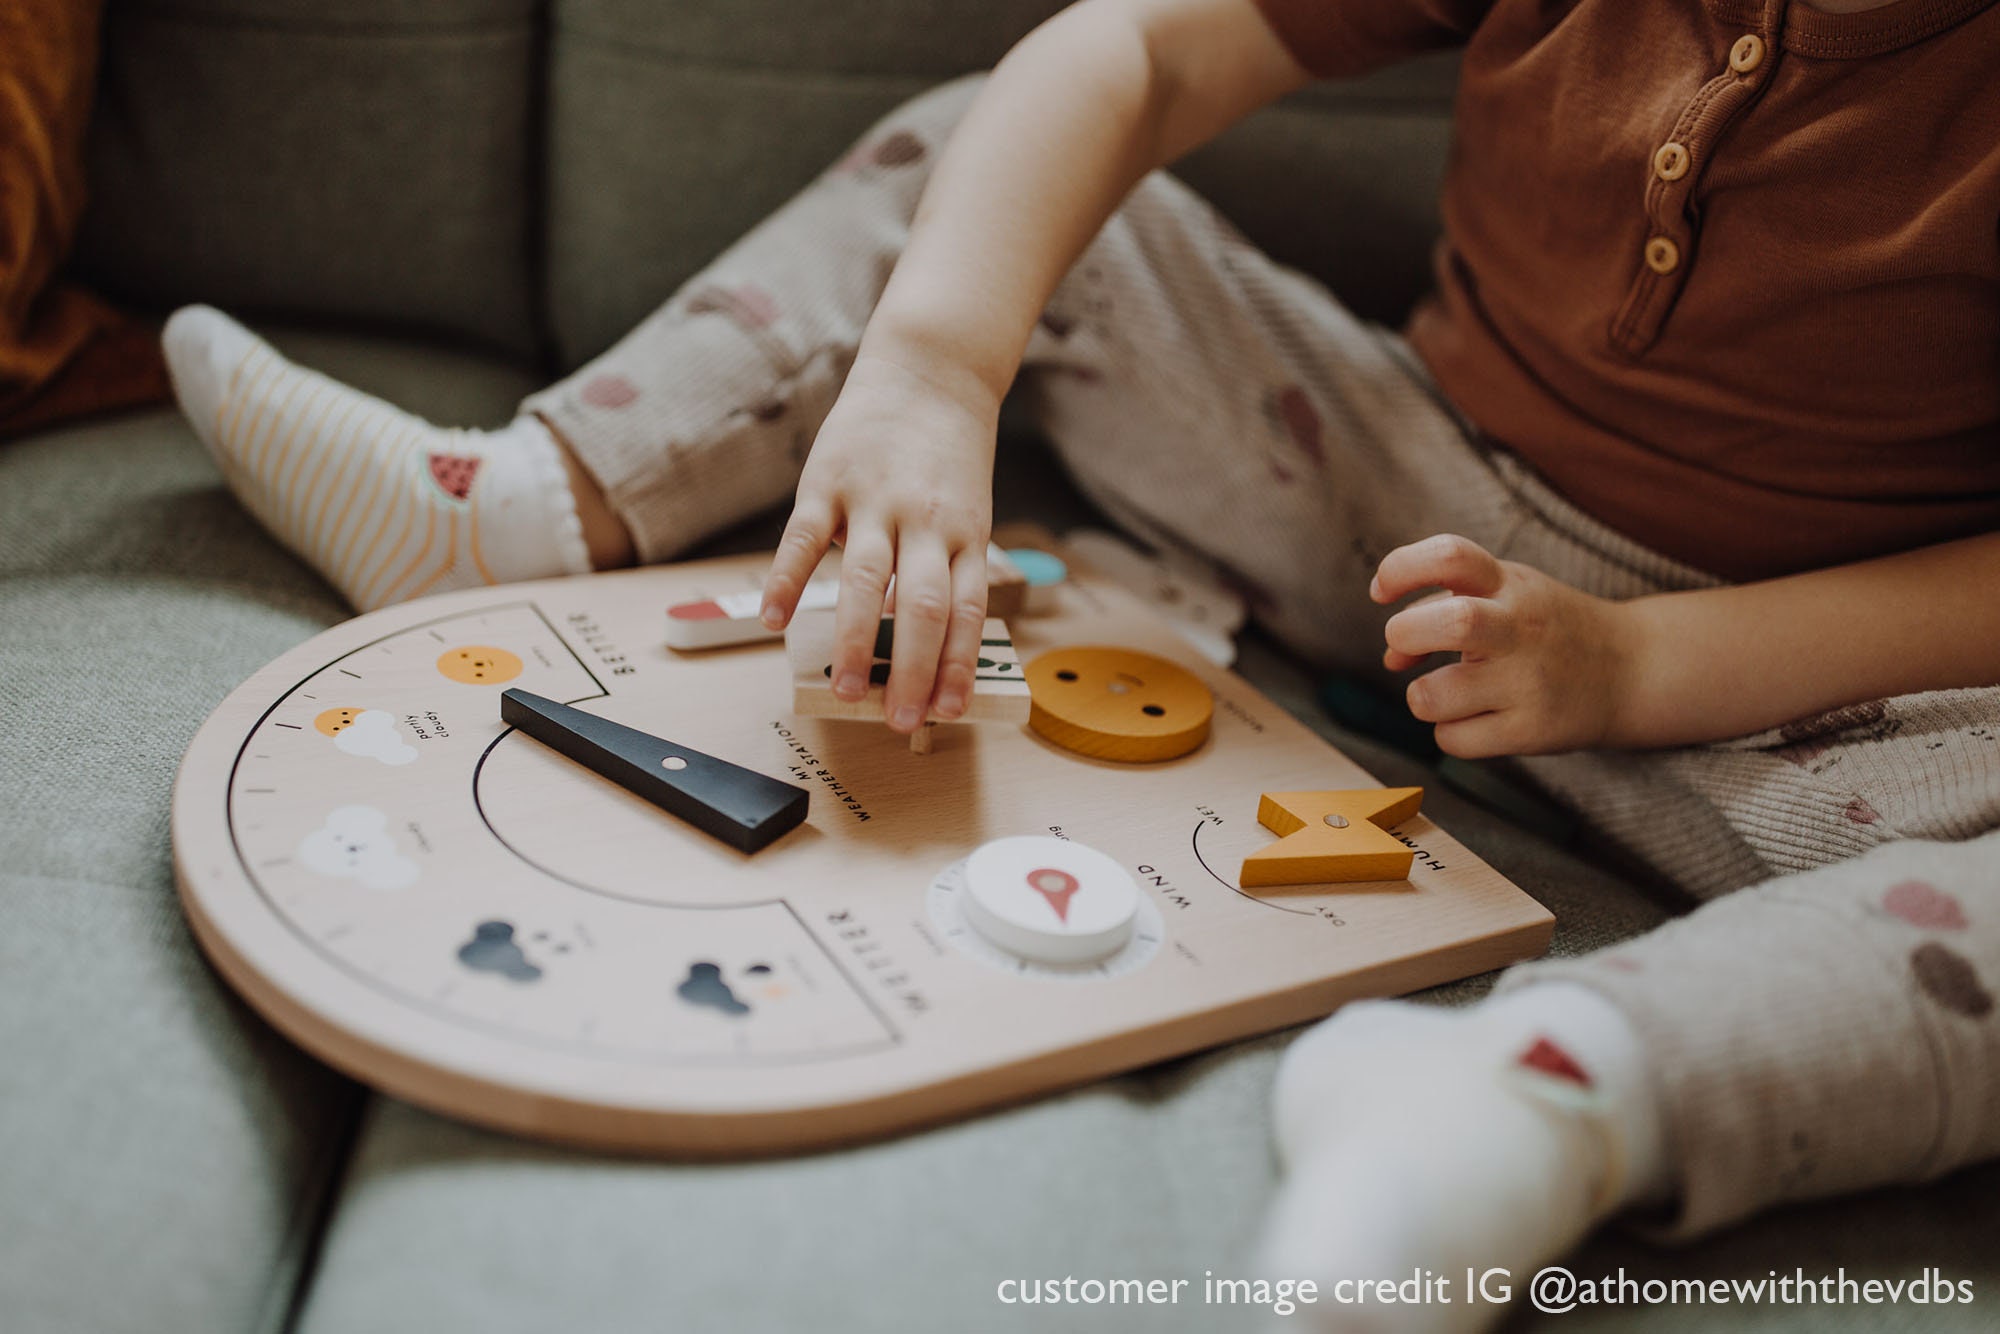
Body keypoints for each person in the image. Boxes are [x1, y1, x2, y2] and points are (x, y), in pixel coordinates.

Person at [162, 1, 2000, 1326]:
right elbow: (1131, 52)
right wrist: (935, 368)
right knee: (1022, 165)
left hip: (1816, 695)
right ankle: (539, 500)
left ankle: (1554, 1091)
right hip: (1391, 501)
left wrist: (1645, 666)